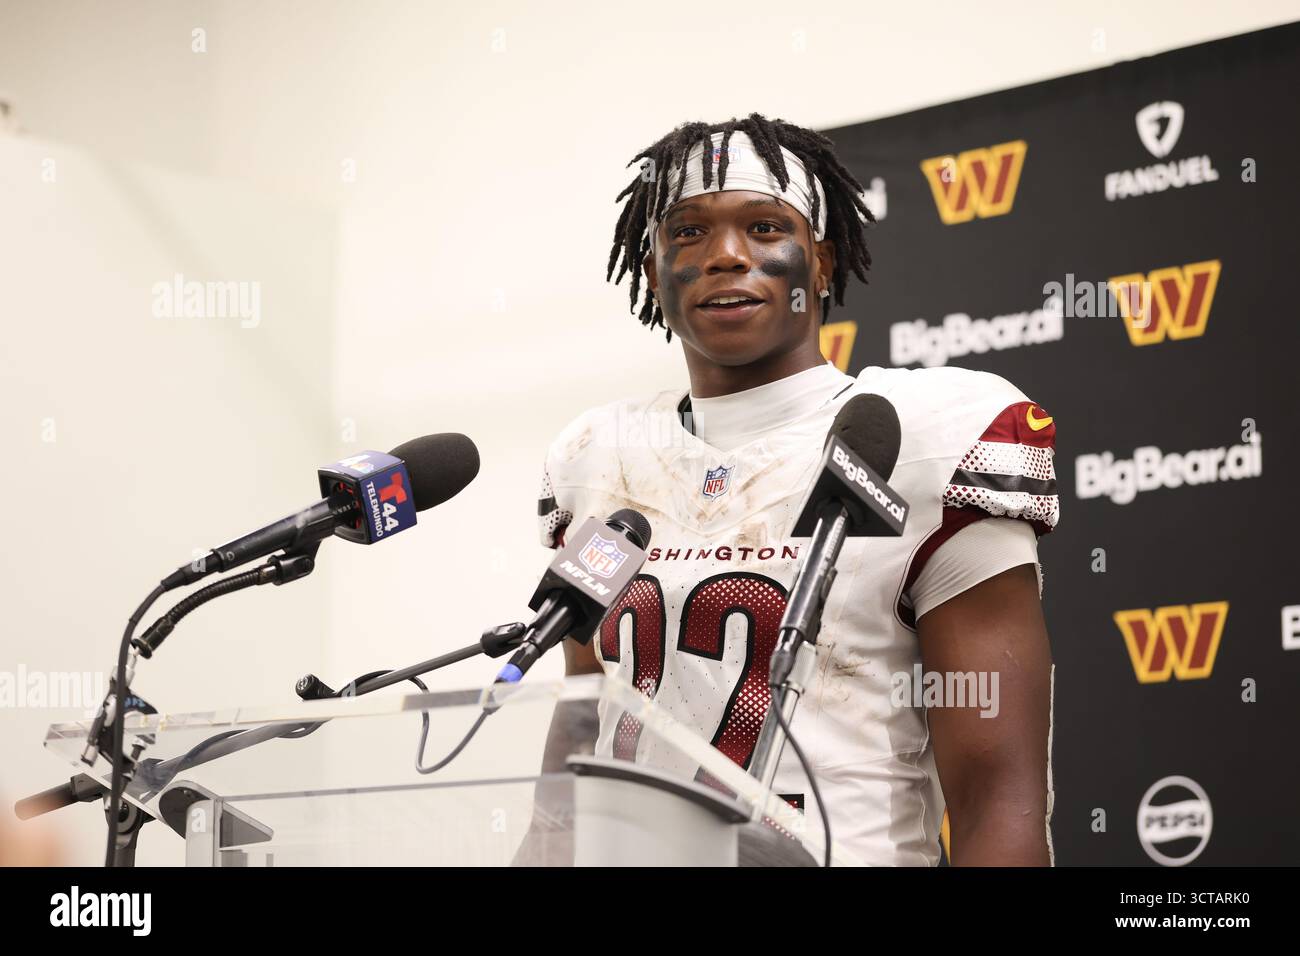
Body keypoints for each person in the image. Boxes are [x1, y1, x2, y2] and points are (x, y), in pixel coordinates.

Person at [534, 113, 1057, 866]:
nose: (725, 255)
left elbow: (997, 796)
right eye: (686, 232)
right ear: (651, 270)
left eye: (764, 226)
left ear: (819, 262)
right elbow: (577, 744)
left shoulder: (927, 437)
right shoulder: (595, 457)